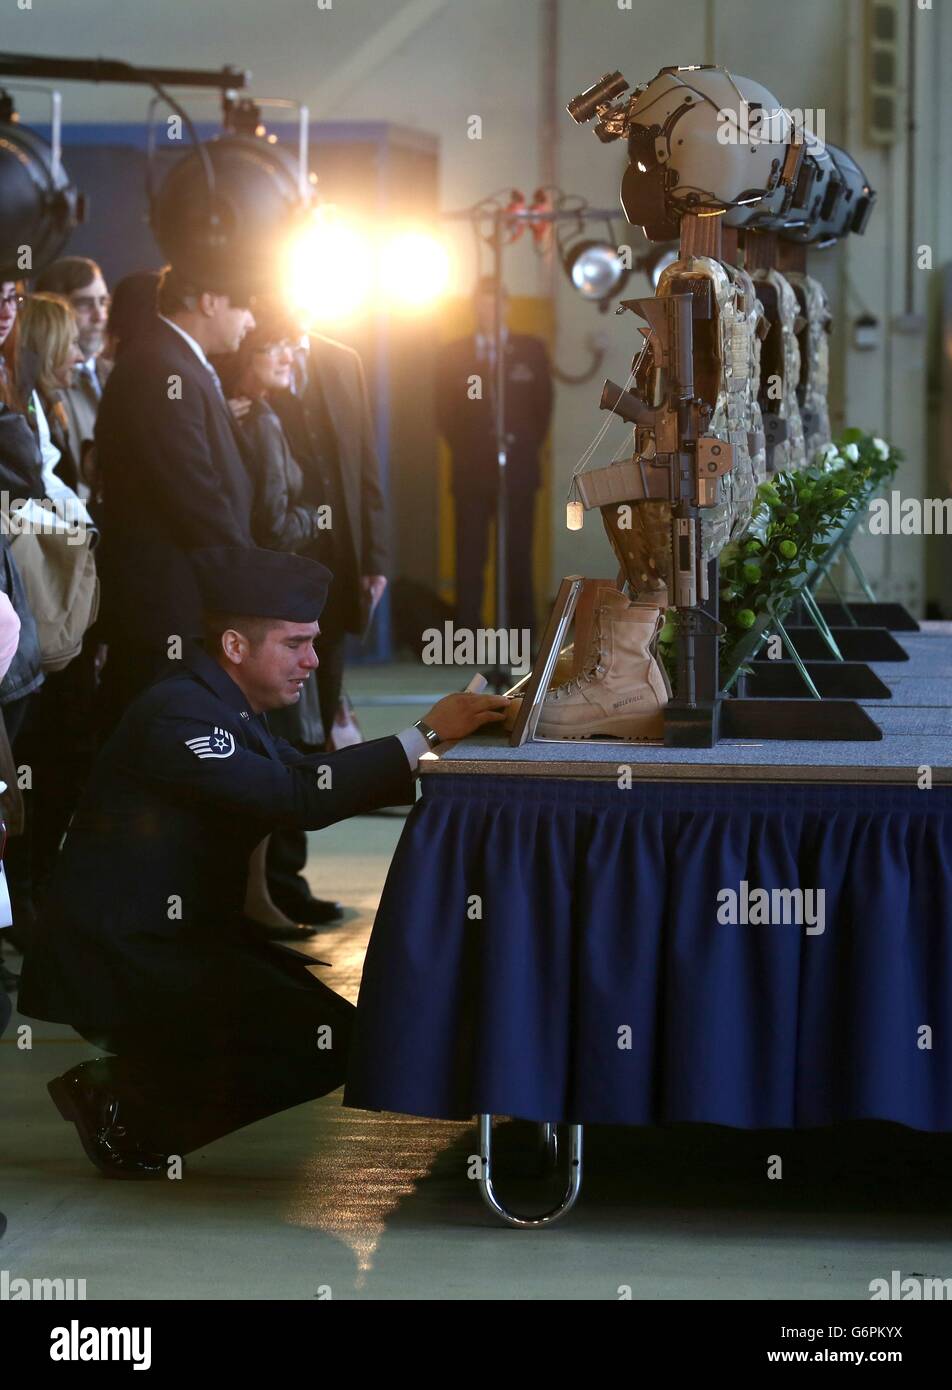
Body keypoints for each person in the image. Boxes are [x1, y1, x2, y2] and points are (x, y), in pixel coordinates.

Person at [17, 545, 510, 1177]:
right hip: (121, 958)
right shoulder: (180, 712)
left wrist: (438, 766)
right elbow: (292, 796)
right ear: (235, 645)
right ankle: (120, 1101)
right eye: (296, 644)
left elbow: (299, 774)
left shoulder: (217, 704)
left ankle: (134, 1083)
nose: (312, 660)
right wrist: (425, 736)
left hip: (174, 942)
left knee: (332, 1034)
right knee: (316, 1041)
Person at [262, 315, 391, 925]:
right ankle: (270, 884)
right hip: (275, 572)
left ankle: (289, 877)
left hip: (336, 576)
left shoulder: (343, 360)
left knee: (315, 734)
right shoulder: (256, 358)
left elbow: (365, 466)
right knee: (277, 731)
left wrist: (374, 560)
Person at [94, 265, 258, 730]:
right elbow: (194, 490)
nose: (250, 324)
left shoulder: (173, 360)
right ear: (210, 300)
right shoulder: (159, 365)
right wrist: (249, 576)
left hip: (180, 602)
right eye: (244, 307)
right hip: (163, 606)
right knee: (151, 744)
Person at [435, 277, 553, 639]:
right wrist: (474, 448)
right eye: (482, 305)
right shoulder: (453, 354)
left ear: (506, 306)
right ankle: (466, 637)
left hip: (517, 471)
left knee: (517, 555)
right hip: (471, 472)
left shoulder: (530, 350)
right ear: (475, 308)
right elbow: (445, 414)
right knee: (470, 557)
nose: (489, 312)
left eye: (495, 304)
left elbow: (542, 409)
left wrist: (519, 447)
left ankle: (522, 635)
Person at [33, 258, 111, 496]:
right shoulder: (36, 390)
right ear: (55, 311)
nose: (100, 316)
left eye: (103, 302)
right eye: (85, 304)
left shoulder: (119, 373)